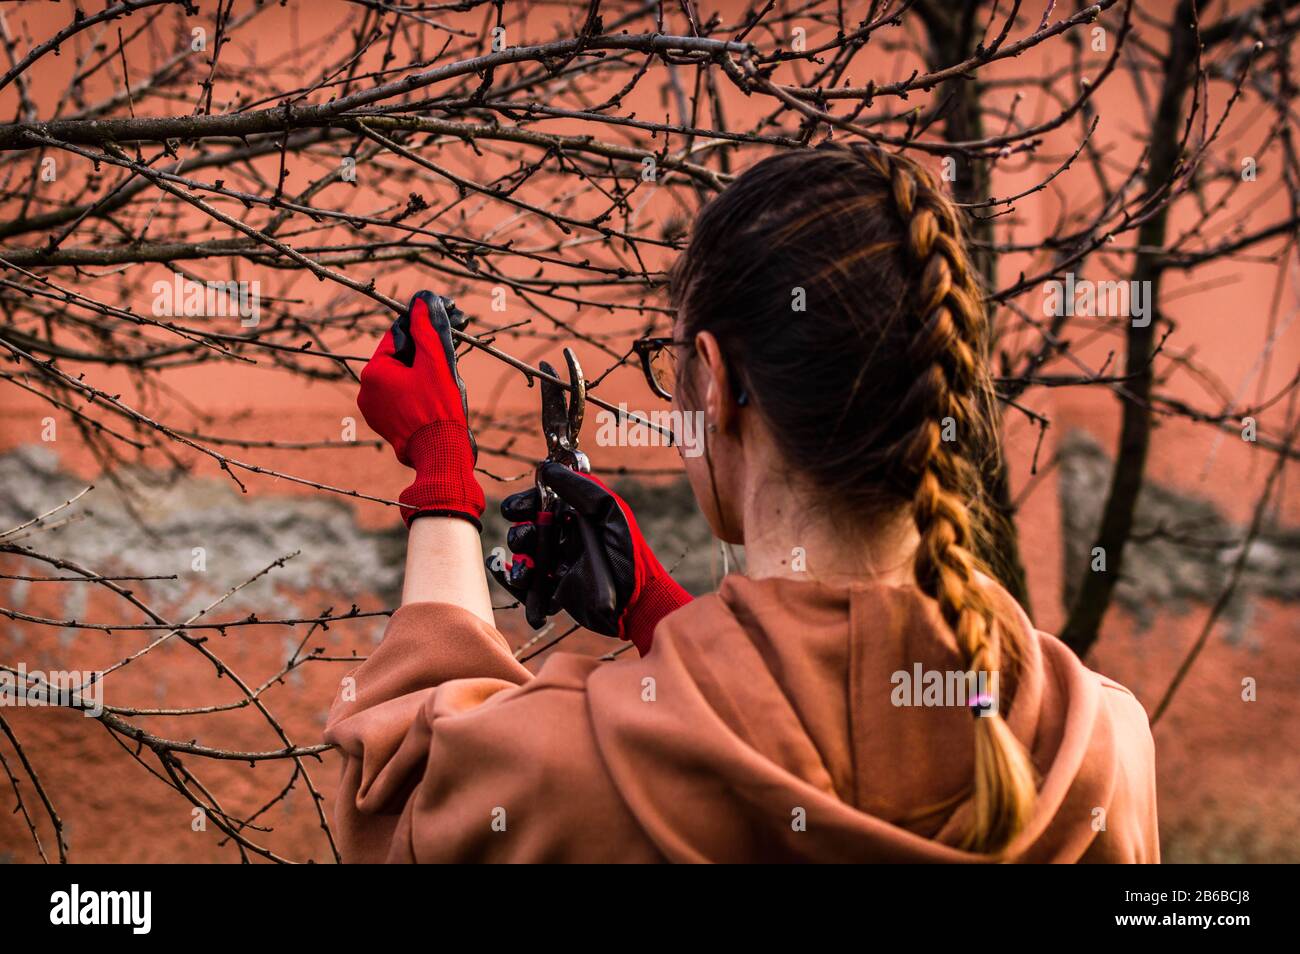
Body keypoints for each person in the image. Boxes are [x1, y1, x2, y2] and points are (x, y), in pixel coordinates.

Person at [325, 143, 1159, 863]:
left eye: (671, 363)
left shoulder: (574, 771)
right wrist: (657, 612)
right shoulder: (1104, 752)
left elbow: (396, 788)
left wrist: (441, 474)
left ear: (717, 384)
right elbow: (849, 733)